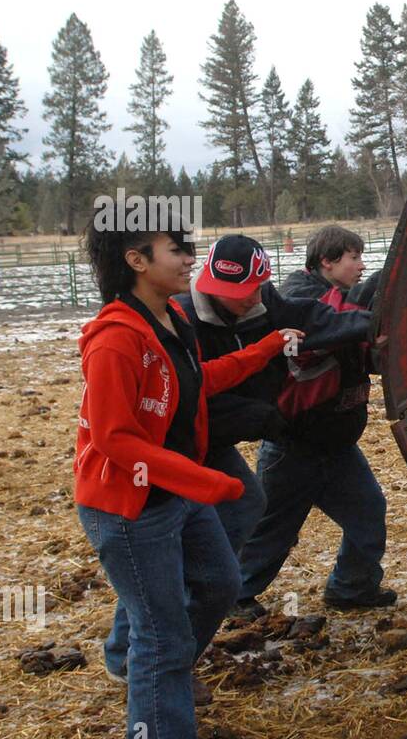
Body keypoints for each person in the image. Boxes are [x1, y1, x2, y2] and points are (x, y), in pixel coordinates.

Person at [75, 205, 300, 739]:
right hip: (128, 506)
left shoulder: (171, 317)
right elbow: (112, 438)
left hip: (171, 489)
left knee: (221, 584)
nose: (188, 259)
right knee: (162, 629)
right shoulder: (115, 340)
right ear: (136, 260)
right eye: (175, 249)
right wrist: (204, 481)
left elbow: (202, 381)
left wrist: (268, 346)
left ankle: (151, 673)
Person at [101, 233, 376, 671]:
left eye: (251, 290)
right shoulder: (183, 318)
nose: (245, 300)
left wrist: (373, 323)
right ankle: (135, 652)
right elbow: (189, 395)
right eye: (233, 293)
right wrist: (254, 415)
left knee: (244, 508)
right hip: (174, 446)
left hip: (216, 440)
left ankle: (187, 611)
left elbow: (312, 319)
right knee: (166, 555)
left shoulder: (264, 304)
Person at [234, 225, 407, 618]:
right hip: (295, 446)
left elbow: (376, 358)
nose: (361, 265)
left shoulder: (343, 304)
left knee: (368, 512)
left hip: (338, 444)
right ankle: (235, 594)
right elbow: (334, 321)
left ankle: (351, 586)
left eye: (362, 259)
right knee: (274, 528)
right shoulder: (298, 298)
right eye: (353, 258)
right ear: (326, 260)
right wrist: (386, 281)